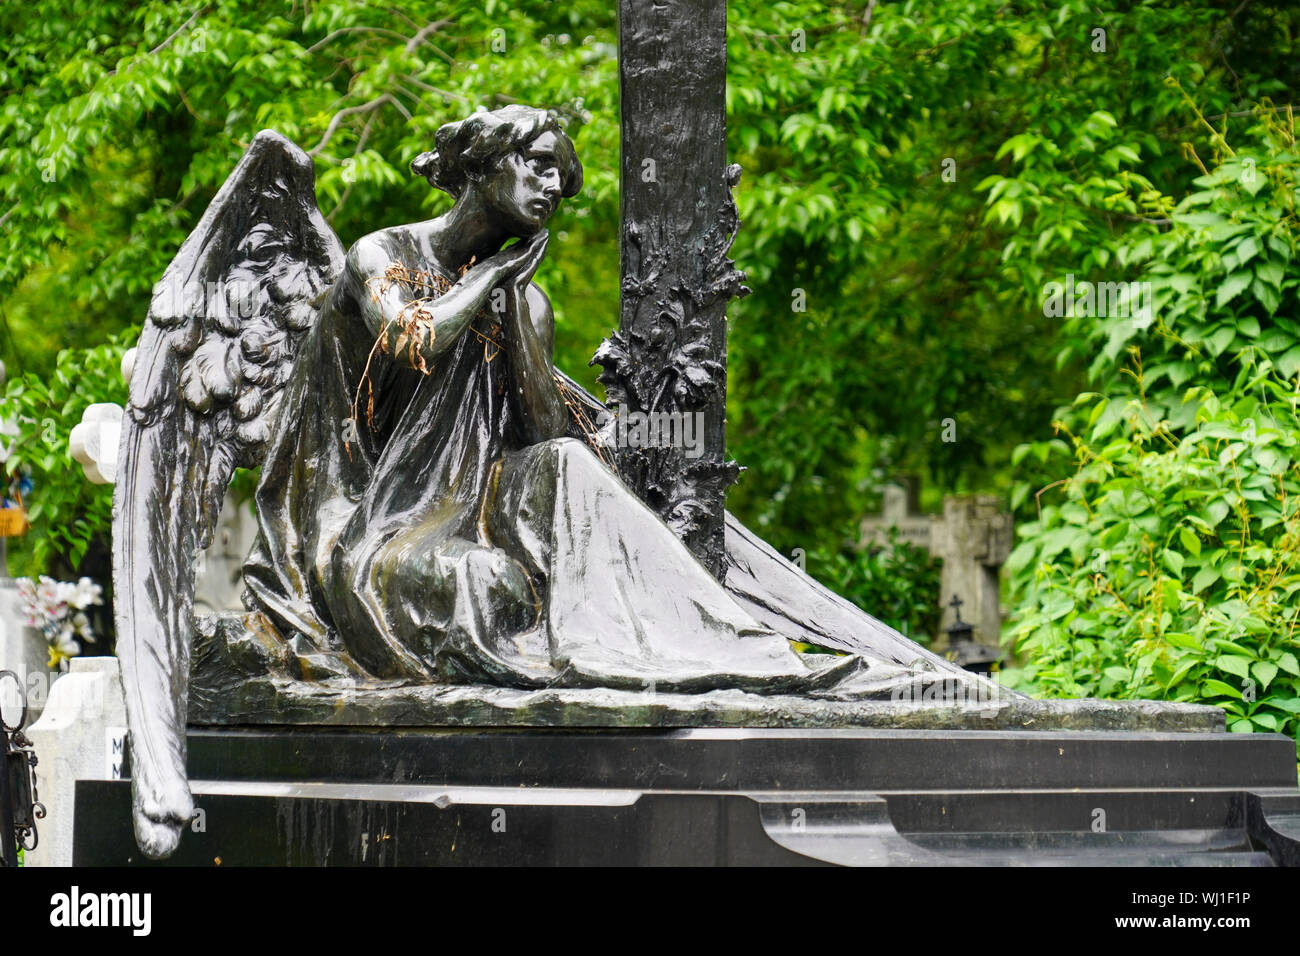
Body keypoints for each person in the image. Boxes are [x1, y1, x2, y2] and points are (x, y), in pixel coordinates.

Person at [241, 105, 959, 697]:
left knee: (565, 468)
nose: (554, 185)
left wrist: (518, 309)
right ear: (486, 164)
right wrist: (492, 279)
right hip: (371, 526)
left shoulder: (526, 298)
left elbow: (544, 437)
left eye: (563, 175)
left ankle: (715, 639)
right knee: (484, 584)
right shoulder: (385, 255)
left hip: (471, 510)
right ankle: (613, 652)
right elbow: (415, 340)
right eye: (538, 164)